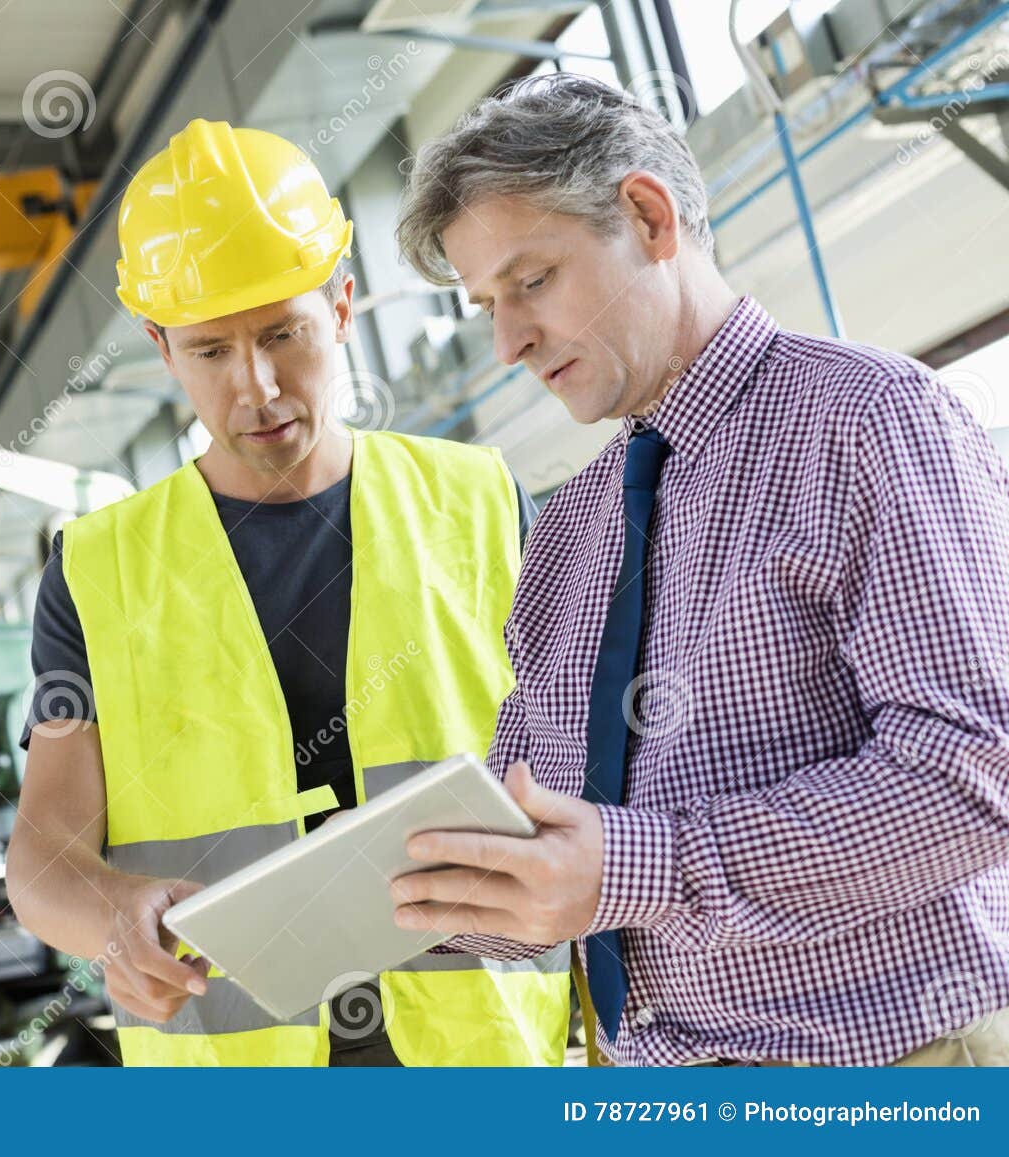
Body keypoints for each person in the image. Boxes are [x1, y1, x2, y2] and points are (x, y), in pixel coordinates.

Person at [388, 73, 1009, 1067]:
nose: (507, 341)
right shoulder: (567, 533)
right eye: (485, 306)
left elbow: (977, 771)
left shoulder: (868, 421)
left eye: (530, 280)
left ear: (646, 214)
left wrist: (643, 864)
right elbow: (555, 848)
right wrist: (406, 899)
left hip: (896, 1054)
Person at [5, 118, 570, 1067]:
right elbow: (43, 852)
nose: (257, 387)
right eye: (211, 351)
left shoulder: (480, 503)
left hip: (488, 1058)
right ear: (160, 347)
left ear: (342, 305)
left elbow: (587, 764)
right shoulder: (97, 572)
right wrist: (109, 915)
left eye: (282, 333)